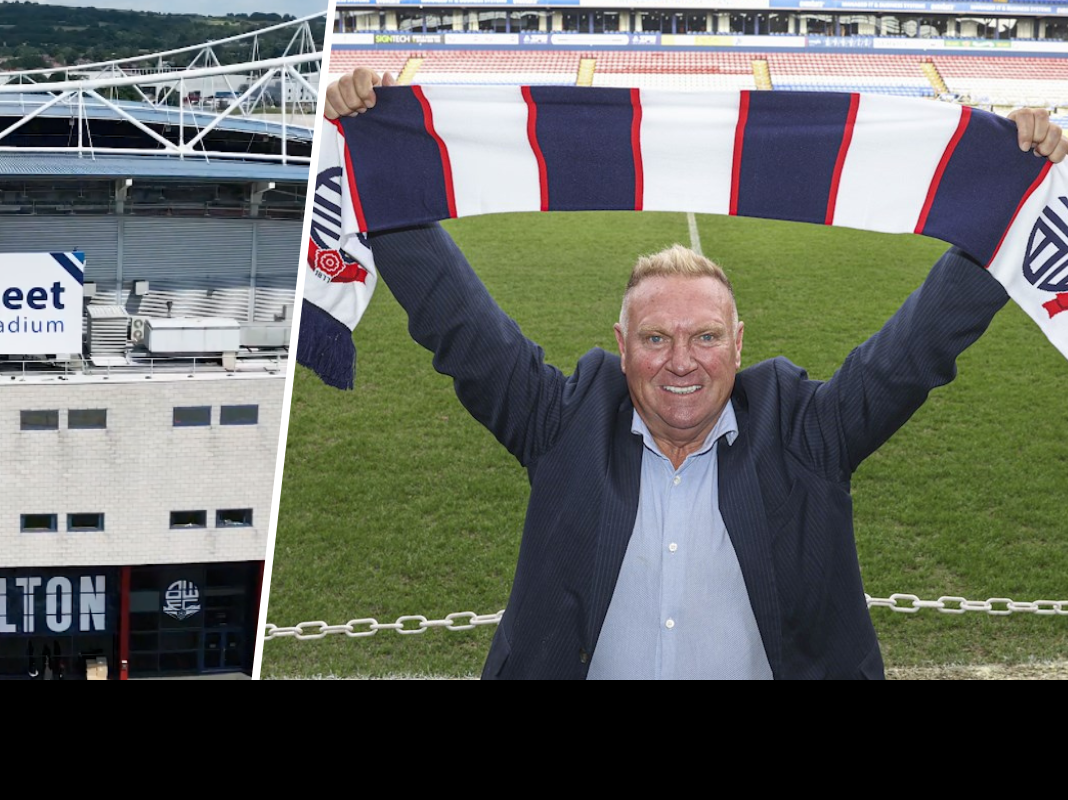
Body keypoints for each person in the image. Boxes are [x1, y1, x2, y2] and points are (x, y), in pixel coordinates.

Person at [323, 68, 1068, 679]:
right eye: (656, 337)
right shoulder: (562, 423)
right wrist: (377, 157)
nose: (681, 361)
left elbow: (921, 346)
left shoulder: (810, 434)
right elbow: (457, 323)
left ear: (739, 344)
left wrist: (1012, 186)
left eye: (705, 335)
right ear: (620, 343)